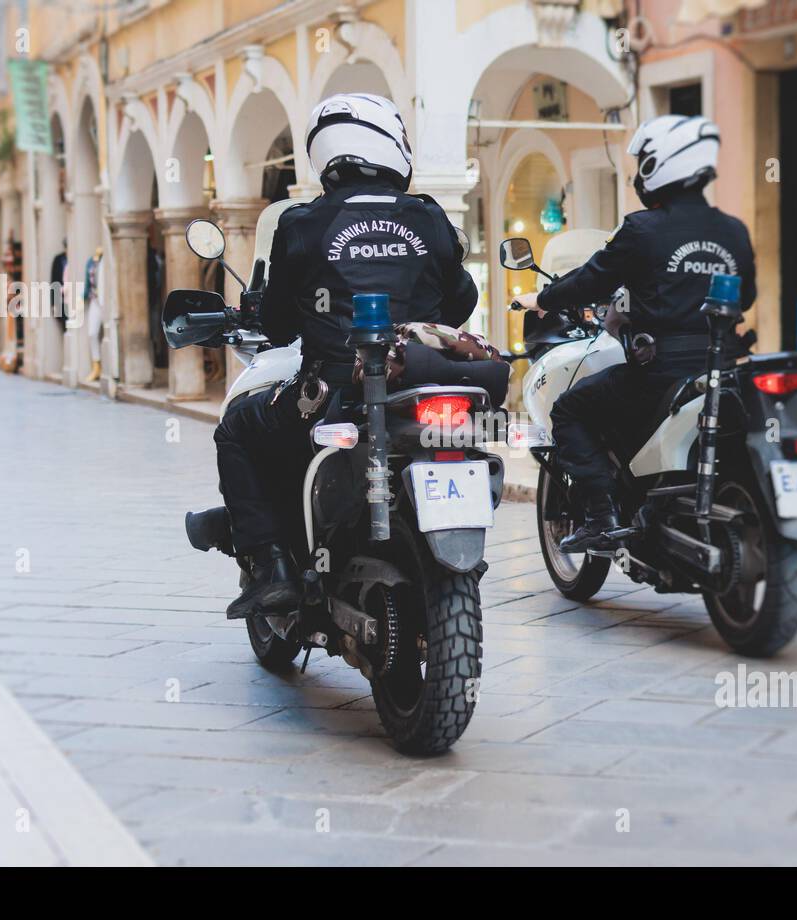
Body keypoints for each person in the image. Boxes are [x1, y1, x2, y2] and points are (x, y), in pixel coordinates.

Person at [208, 93, 480, 619]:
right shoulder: (427, 216)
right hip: (419, 387)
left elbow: (280, 323)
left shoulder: (303, 224)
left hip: (330, 395)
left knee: (238, 429)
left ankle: (272, 567)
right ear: (390, 144)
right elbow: (461, 304)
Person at [513, 115, 757, 553]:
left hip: (662, 374)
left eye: (644, 161)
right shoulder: (733, 231)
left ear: (659, 165)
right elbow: (749, 296)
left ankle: (601, 519)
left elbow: (591, 279)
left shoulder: (642, 228)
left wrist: (542, 299)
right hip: (723, 369)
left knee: (570, 410)